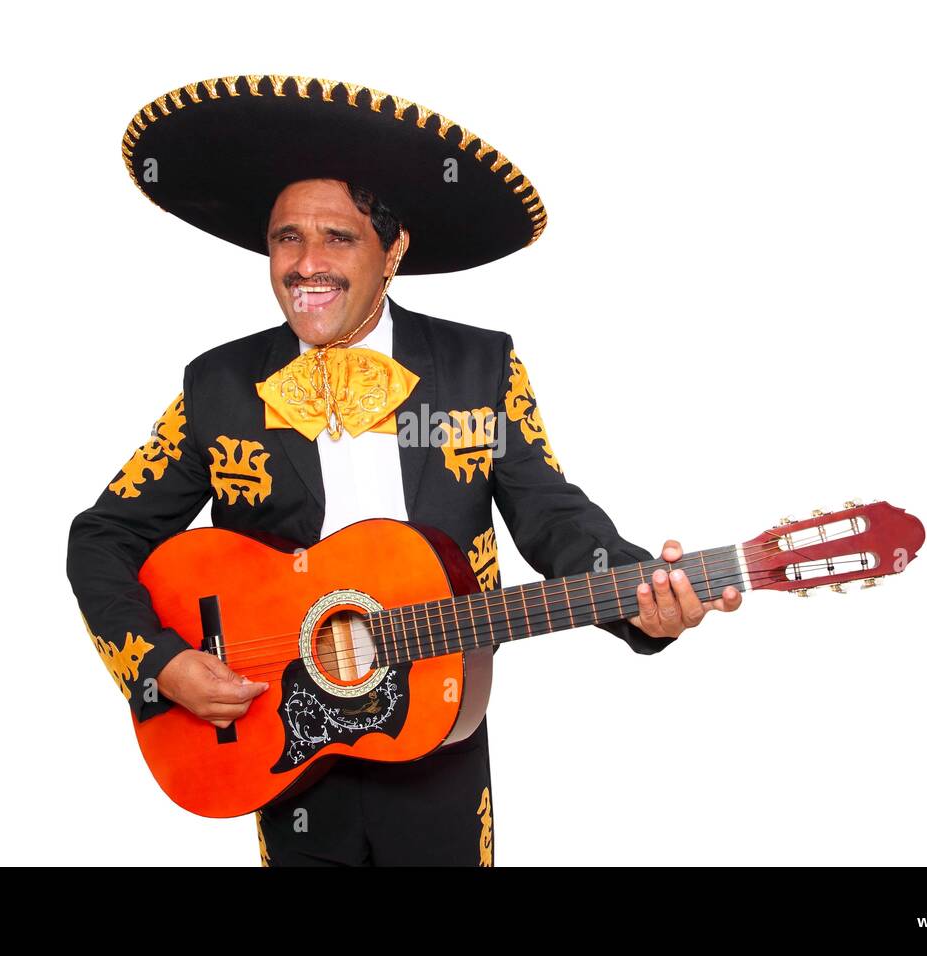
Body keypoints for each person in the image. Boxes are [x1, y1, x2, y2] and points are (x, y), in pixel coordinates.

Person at [67, 74, 741, 866]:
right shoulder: (218, 386)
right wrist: (162, 663)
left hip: (439, 730)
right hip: (278, 745)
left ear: (393, 250)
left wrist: (639, 594)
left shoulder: (478, 366)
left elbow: (552, 514)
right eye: (287, 238)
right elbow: (104, 536)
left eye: (338, 238)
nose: (305, 264)